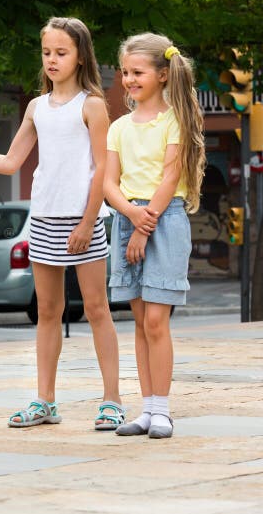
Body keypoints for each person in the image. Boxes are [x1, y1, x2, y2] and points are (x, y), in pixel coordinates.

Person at [0, 17, 124, 430]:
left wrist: (86, 223)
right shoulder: (36, 107)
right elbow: (9, 162)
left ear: (80, 57)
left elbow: (102, 171)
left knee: (97, 309)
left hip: (84, 220)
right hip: (42, 220)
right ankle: (45, 401)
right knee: (47, 311)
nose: (53, 60)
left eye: (62, 53)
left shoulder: (93, 106)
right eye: (47, 53)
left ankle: (112, 400)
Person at [105, 33, 205, 439]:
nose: (129, 79)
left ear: (163, 74)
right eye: (125, 72)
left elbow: (170, 176)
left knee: (157, 320)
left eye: (138, 72)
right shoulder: (118, 127)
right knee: (140, 322)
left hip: (164, 220)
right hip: (128, 217)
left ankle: (162, 410)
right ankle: (145, 410)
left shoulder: (176, 120)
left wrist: (144, 226)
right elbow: (110, 183)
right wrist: (129, 214)